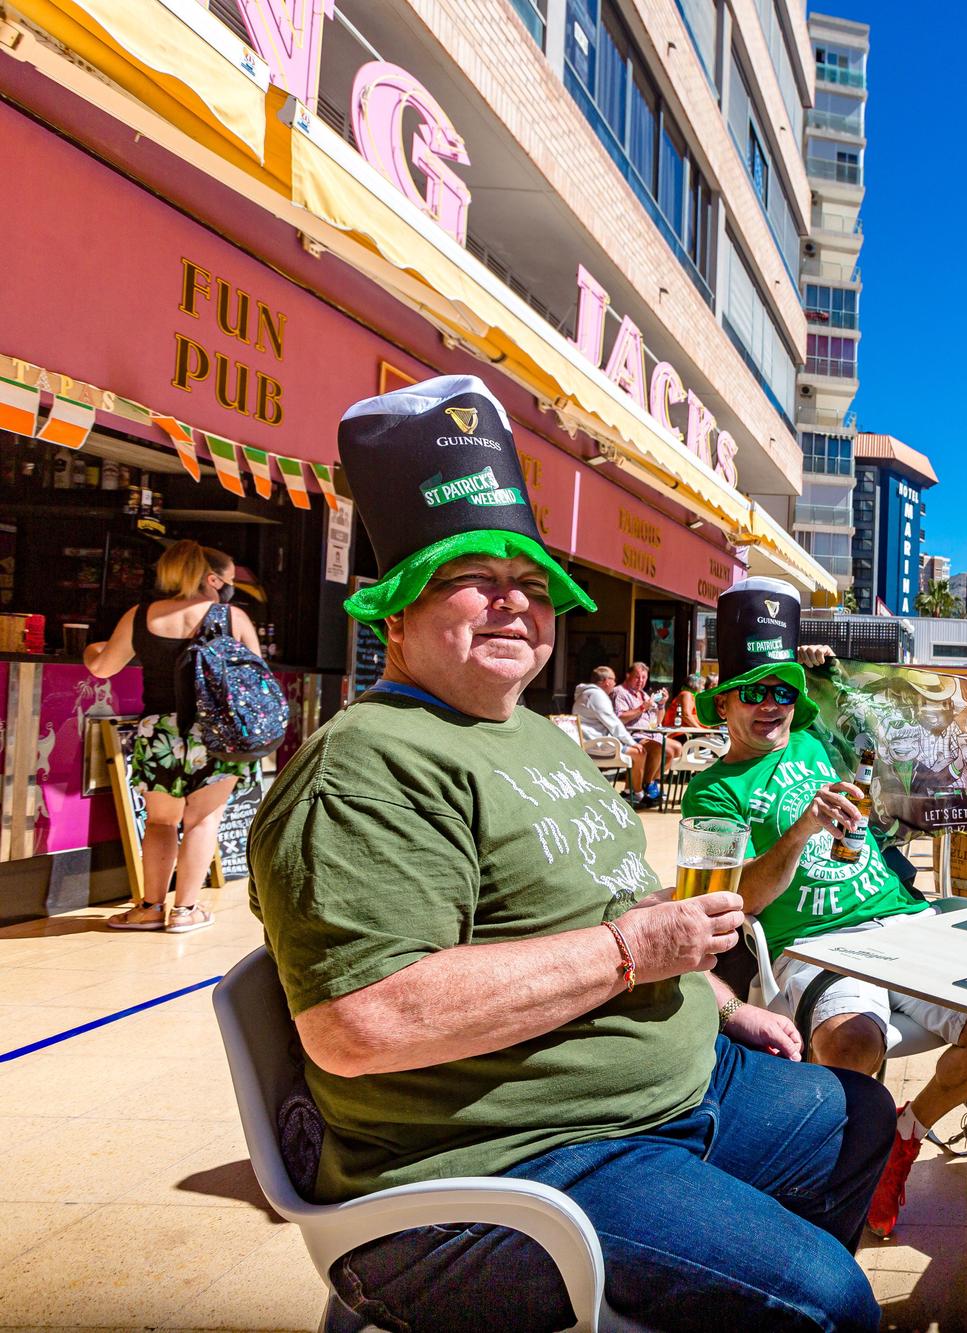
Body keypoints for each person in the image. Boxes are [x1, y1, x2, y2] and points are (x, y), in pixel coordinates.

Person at [249, 376, 892, 1332]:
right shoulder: (368, 767)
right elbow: (361, 1021)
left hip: (665, 1093)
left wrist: (710, 1000)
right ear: (395, 607)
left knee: (858, 1120)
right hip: (510, 1166)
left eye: (535, 582)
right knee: (829, 1301)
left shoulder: (535, 733)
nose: (517, 602)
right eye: (476, 577)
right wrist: (634, 955)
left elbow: (590, 905)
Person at [681, 577, 967, 1241]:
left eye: (783, 689)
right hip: (813, 944)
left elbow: (870, 723)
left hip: (898, 918)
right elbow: (734, 901)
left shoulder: (812, 745)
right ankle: (833, 1184)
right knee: (854, 1043)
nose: (772, 703)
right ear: (724, 702)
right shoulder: (713, 790)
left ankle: (904, 1135)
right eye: (754, 689)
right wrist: (803, 828)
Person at [85, 539, 261, 934]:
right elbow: (256, 680)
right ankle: (185, 910)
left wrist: (90, 650)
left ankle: (148, 907)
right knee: (202, 822)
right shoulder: (232, 618)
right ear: (209, 577)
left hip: (159, 732)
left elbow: (102, 668)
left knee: (161, 823)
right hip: (216, 735)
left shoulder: (141, 615)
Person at [575, 665, 672, 806]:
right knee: (640, 752)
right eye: (614, 680)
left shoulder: (589, 694)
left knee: (661, 749)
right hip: (596, 744)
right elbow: (615, 723)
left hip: (597, 740)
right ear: (607, 681)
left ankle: (635, 791)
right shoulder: (597, 696)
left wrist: (661, 705)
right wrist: (632, 743)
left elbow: (654, 720)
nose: (615, 684)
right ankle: (636, 792)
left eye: (644, 677)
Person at [611, 661, 681, 804]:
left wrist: (661, 704)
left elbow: (657, 721)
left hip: (649, 734)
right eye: (637, 677)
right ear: (628, 675)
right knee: (657, 747)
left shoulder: (643, 694)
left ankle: (648, 781)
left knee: (676, 748)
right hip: (631, 736)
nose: (640, 681)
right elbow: (620, 718)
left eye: (644, 678)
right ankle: (647, 785)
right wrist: (643, 707)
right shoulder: (620, 692)